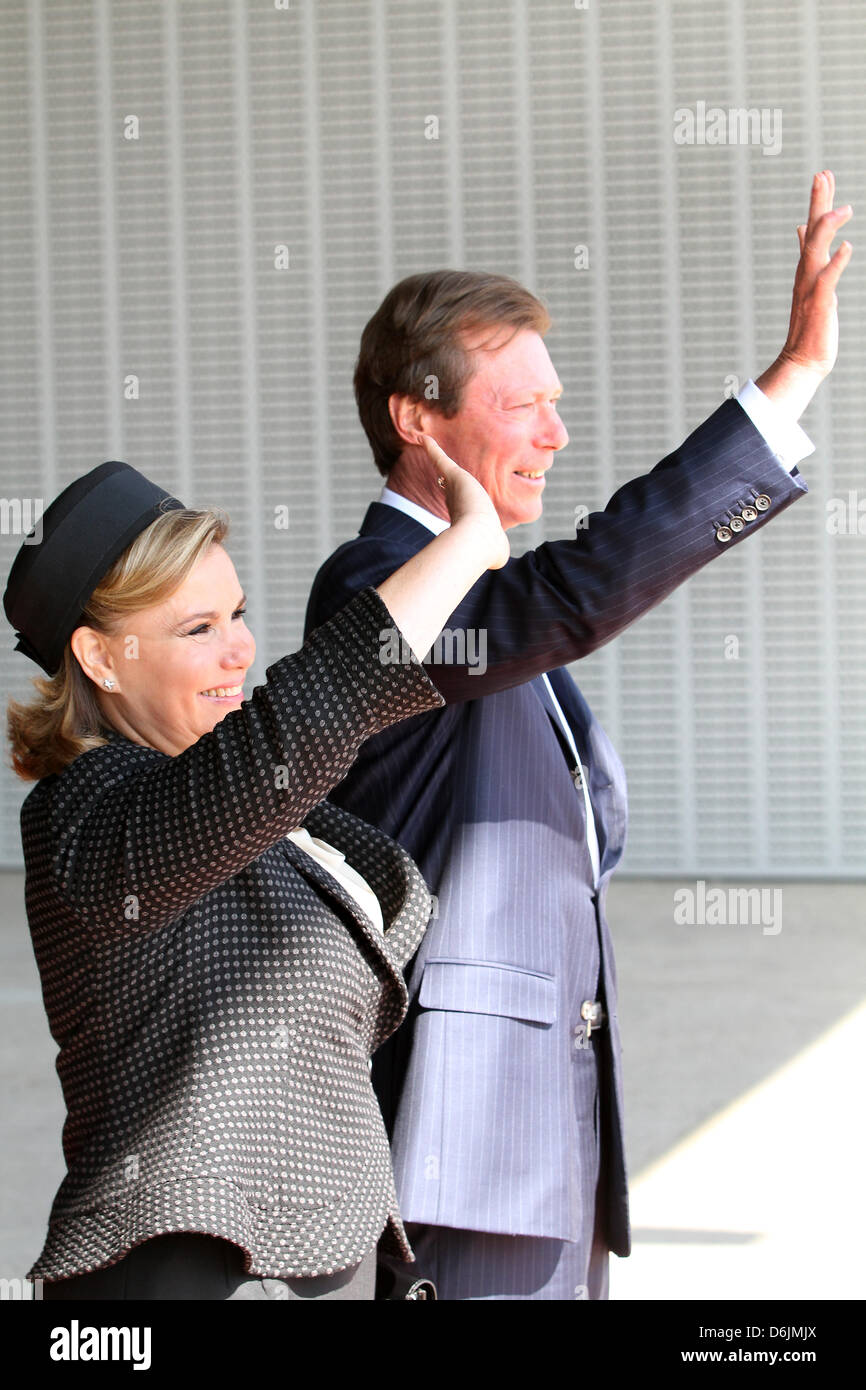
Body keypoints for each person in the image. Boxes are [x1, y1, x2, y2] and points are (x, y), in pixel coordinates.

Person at [304, 170, 852, 1299]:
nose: (556, 432)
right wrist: (786, 382)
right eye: (521, 405)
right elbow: (580, 588)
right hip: (468, 1130)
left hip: (544, 1120)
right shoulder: (380, 589)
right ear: (418, 418)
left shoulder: (483, 599)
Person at [3, 445, 508, 1300]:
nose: (240, 651)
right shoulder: (87, 820)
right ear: (100, 658)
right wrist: (466, 542)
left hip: (312, 1259)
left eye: (236, 614)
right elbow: (297, 725)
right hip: (169, 1277)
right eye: (197, 630)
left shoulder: (267, 821)